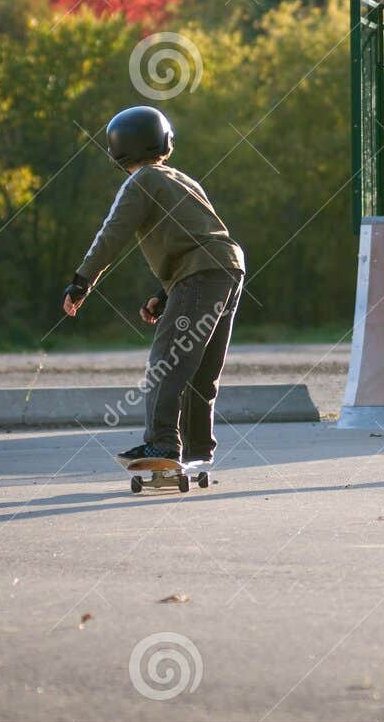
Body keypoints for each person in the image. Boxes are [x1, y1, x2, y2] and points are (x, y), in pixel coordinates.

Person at [62, 106, 246, 464]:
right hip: (228, 269)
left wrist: (82, 281)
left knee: (167, 362)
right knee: (201, 370)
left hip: (200, 275)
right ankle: (197, 451)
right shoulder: (184, 180)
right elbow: (199, 236)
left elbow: (112, 234)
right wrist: (166, 294)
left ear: (118, 150)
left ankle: (162, 444)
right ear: (164, 140)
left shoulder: (140, 181)